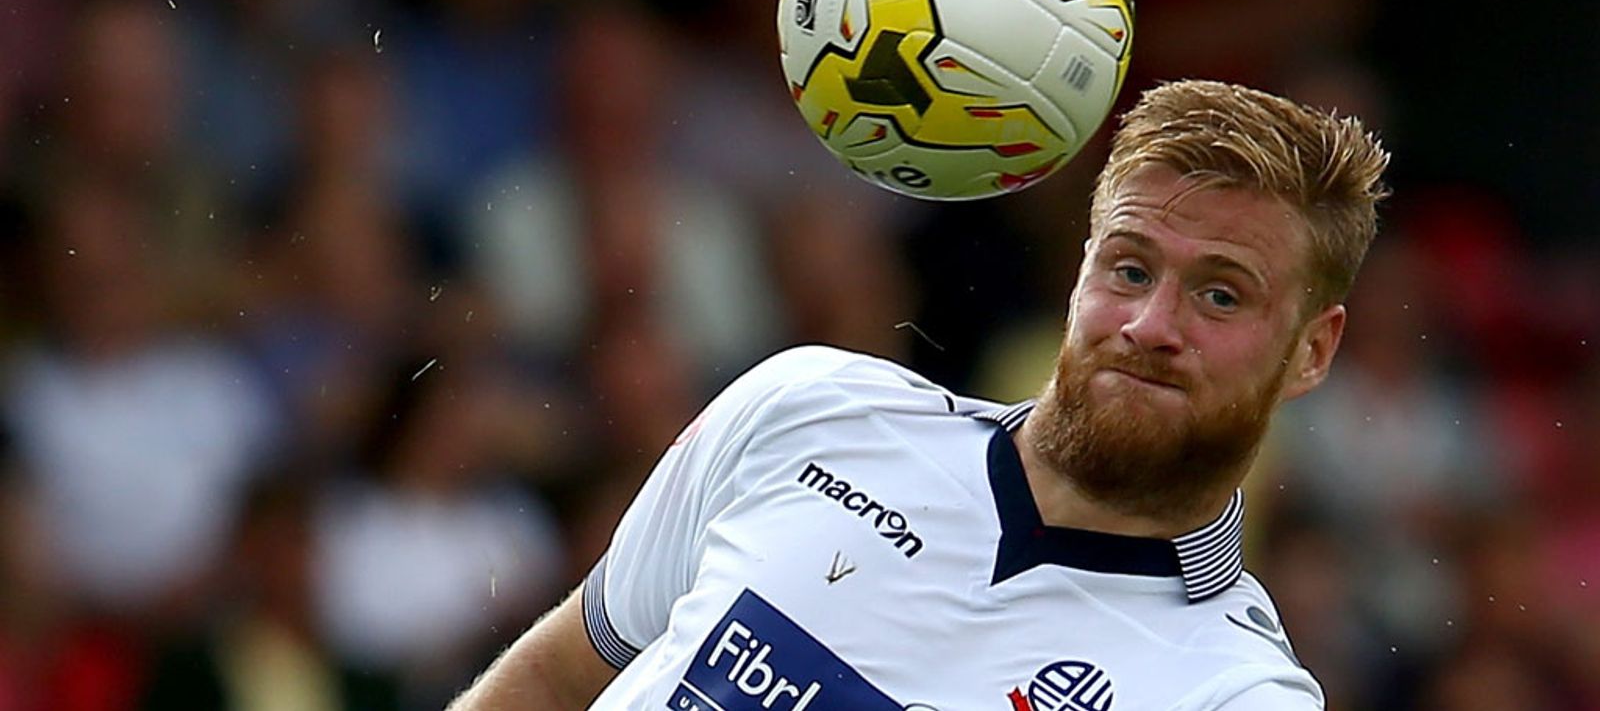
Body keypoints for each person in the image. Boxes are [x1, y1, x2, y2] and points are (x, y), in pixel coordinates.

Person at [448, 79, 1391, 710]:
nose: (1150, 324)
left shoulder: (1228, 692)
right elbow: (552, 683)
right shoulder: (807, 408)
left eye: (1221, 294)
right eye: (1130, 268)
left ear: (1313, 350)